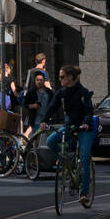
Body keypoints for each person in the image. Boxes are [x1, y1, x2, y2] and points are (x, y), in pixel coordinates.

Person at [42, 65, 95, 204]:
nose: (60, 79)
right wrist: (44, 121)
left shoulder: (83, 92)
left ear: (70, 77)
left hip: (85, 128)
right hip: (69, 127)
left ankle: (84, 193)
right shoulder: (62, 92)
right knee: (51, 141)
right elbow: (52, 107)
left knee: (84, 158)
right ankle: (67, 163)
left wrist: (85, 123)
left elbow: (89, 111)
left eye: (62, 77)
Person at [22, 71, 52, 138]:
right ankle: (35, 148)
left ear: (44, 81)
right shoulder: (31, 92)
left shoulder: (49, 92)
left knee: (46, 138)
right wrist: (33, 106)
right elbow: (25, 105)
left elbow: (53, 104)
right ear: (35, 81)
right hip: (36, 120)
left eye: (41, 80)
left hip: (47, 119)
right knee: (36, 138)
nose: (39, 82)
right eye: (37, 80)